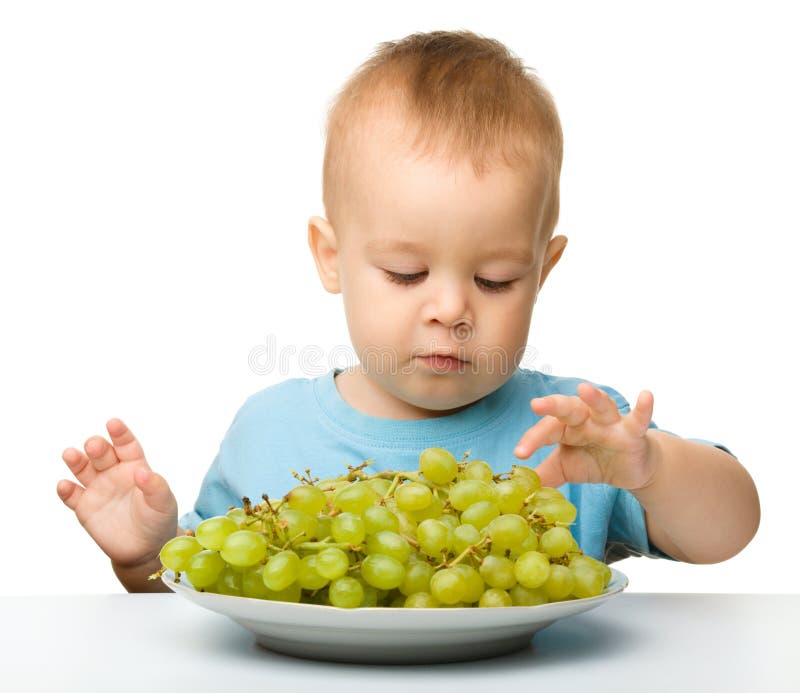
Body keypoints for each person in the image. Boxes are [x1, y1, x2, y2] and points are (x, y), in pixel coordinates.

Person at [56, 30, 760, 594]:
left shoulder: (577, 432)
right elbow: (206, 580)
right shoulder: (266, 433)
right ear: (330, 257)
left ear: (543, 271)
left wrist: (651, 467)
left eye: (495, 279)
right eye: (406, 272)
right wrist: (145, 558)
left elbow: (731, 529)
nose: (450, 307)